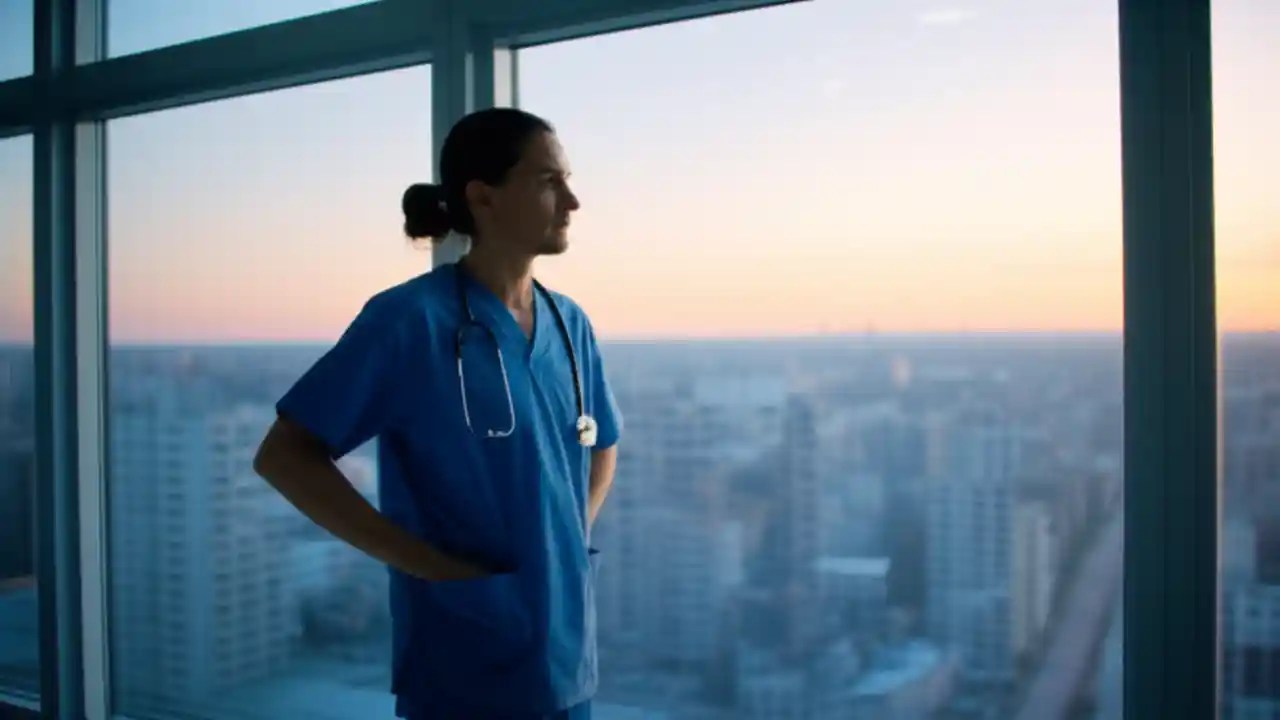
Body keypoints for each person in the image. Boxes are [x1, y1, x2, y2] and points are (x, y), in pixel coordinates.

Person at [253, 107, 622, 720]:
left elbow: (602, 442)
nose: (573, 201)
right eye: (549, 181)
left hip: (565, 660)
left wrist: (567, 533)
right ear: (484, 197)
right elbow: (285, 456)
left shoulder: (570, 323)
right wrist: (428, 567)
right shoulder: (410, 320)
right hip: (465, 658)